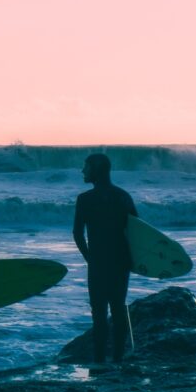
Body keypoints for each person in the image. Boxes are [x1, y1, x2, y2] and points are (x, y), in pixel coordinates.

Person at [73, 153, 138, 364]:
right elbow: (138, 231)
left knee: (98, 312)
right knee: (118, 307)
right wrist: (134, 259)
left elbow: (77, 233)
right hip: (121, 261)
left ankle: (99, 359)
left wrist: (89, 258)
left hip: (98, 262)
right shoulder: (123, 197)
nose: (83, 171)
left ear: (97, 170)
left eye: (86, 167)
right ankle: (119, 357)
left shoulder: (85, 199)